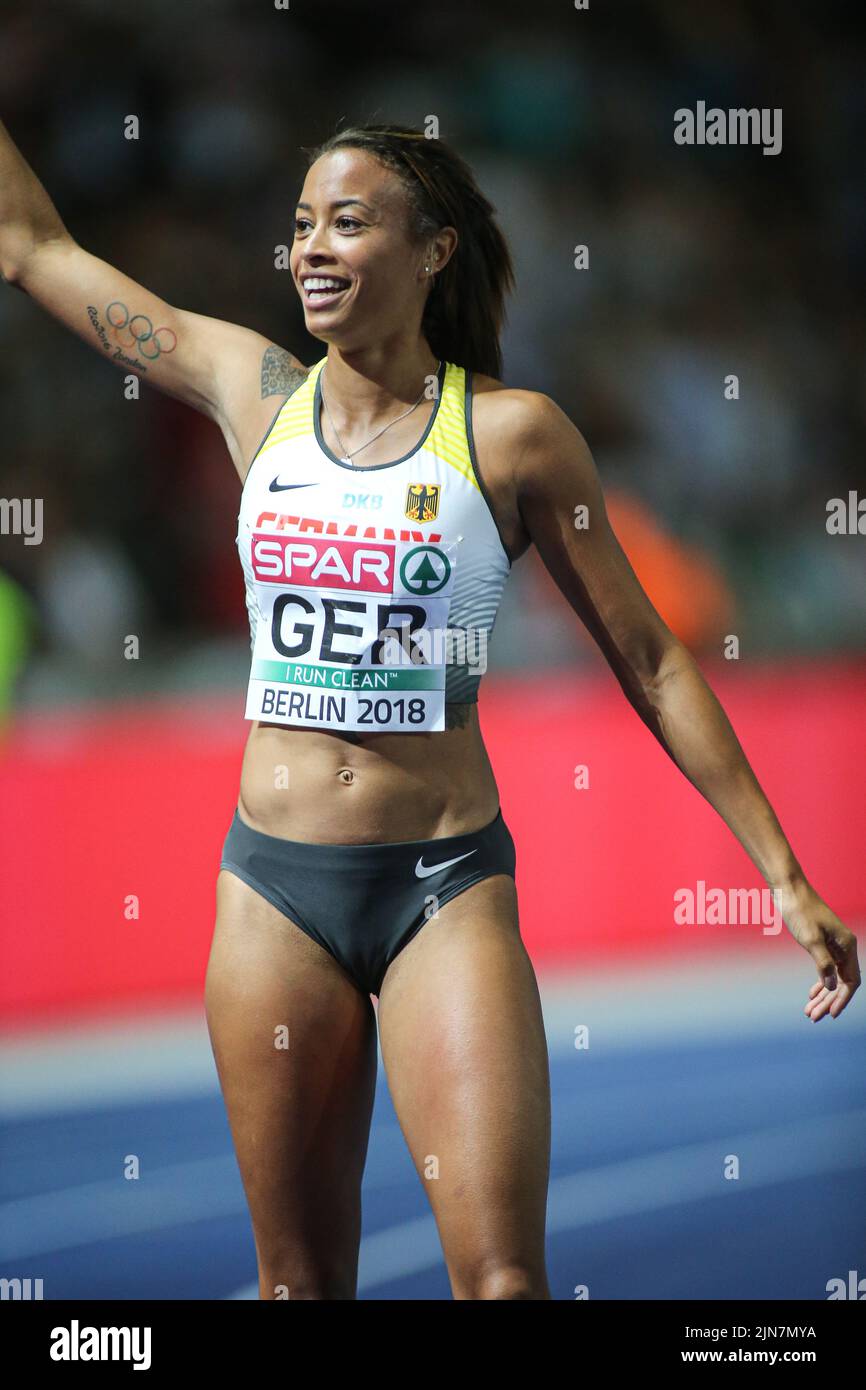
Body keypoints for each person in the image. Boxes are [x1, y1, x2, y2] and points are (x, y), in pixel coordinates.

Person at [1, 119, 859, 1302]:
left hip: (440, 891)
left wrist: (782, 871)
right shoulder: (250, 392)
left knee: (499, 1279)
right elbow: (31, 242)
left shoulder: (510, 435)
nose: (311, 247)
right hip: (270, 898)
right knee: (296, 1286)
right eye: (300, 224)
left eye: (348, 222)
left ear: (433, 250)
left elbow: (652, 662)